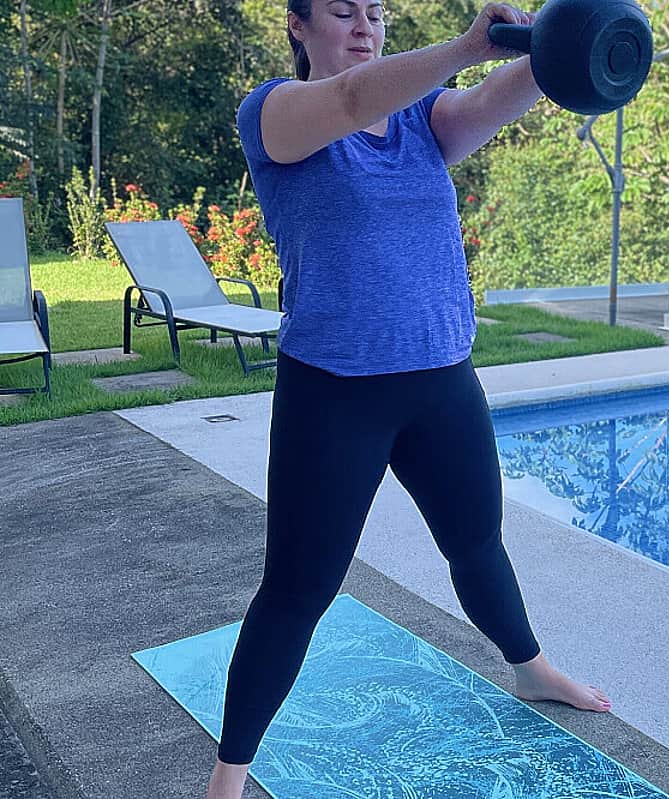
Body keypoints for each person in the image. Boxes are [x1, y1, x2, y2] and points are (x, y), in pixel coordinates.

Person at [204, 3, 612, 797]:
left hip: (441, 382)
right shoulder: (274, 114)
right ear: (298, 26)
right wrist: (464, 45)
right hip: (334, 394)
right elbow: (353, 98)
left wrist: (561, 44)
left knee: (478, 545)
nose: (364, 25)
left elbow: (490, 99)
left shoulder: (422, 120)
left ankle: (530, 667)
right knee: (298, 590)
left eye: (377, 12)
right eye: (342, 10)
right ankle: (229, 775)